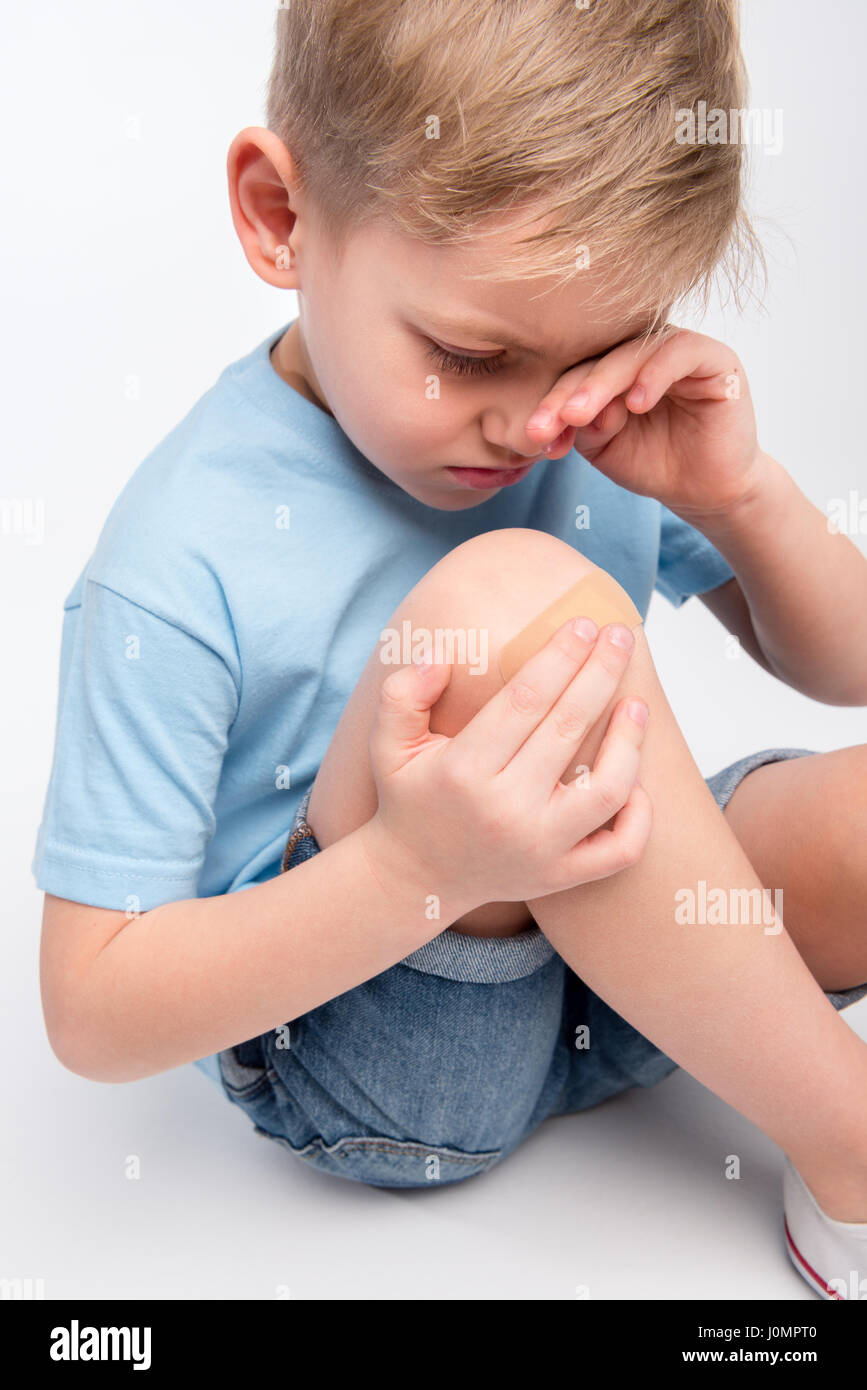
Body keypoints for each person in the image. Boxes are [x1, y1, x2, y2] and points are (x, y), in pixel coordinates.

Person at [34, 0, 867, 1299]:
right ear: (279, 215)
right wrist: (419, 870)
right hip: (380, 1040)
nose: (536, 422)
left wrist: (738, 492)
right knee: (508, 601)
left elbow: (848, 664)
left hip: (619, 947)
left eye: (596, 354)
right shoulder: (179, 550)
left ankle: (759, 1047)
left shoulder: (580, 428)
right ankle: (854, 1145)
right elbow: (89, 1010)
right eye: (469, 354)